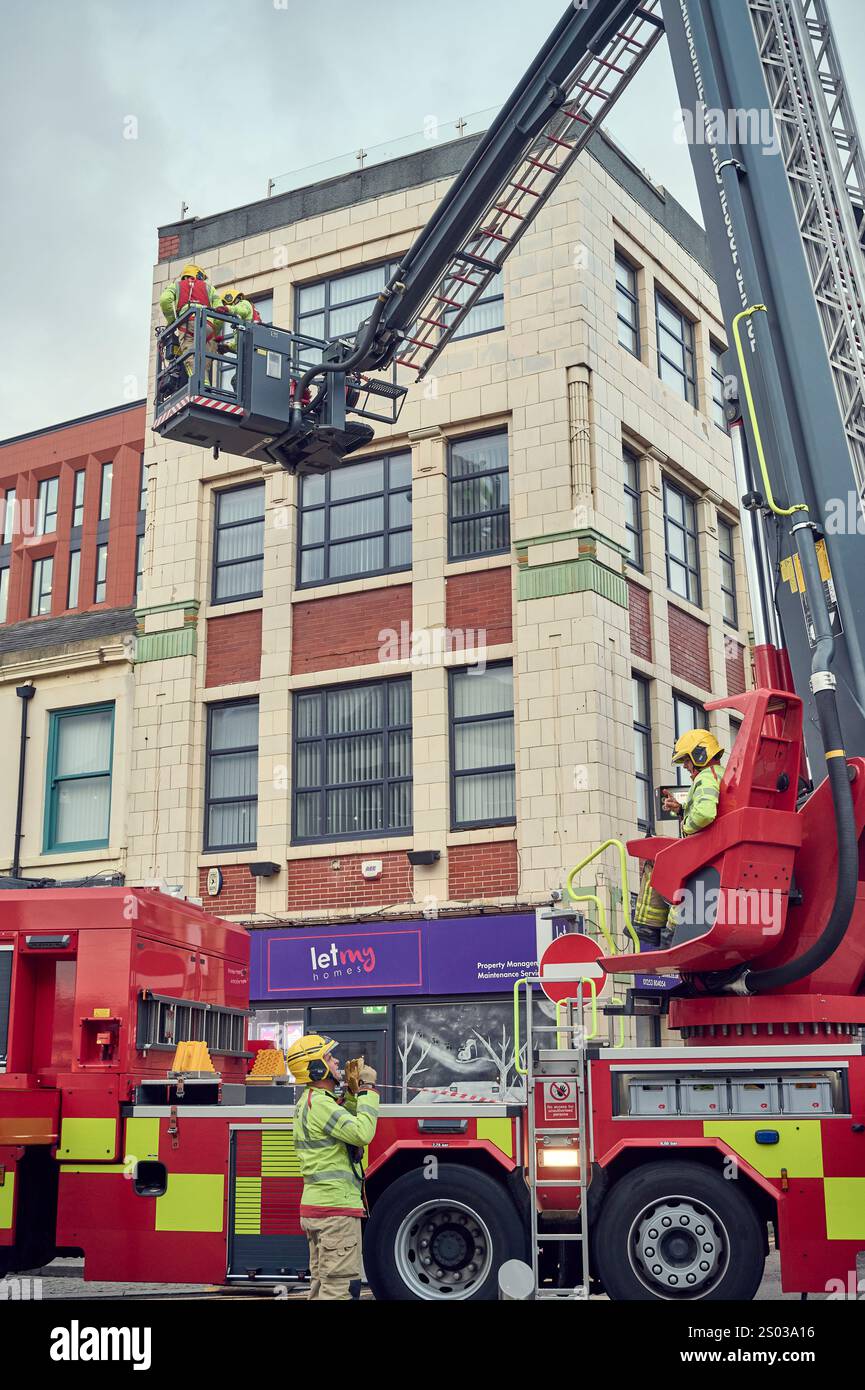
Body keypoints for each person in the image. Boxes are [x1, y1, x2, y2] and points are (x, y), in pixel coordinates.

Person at [286, 1034, 380, 1301]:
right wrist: (368, 1090)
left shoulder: (312, 1102)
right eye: (328, 1057)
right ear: (316, 1068)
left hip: (320, 1209)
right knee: (338, 1289)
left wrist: (351, 1094)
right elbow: (362, 1133)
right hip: (335, 1213)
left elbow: (343, 1127)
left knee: (322, 1286)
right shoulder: (322, 1105)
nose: (336, 1060)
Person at [634, 728, 725, 948]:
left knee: (656, 860)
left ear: (700, 755)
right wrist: (682, 809)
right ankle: (664, 930)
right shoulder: (720, 775)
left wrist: (686, 824)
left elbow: (705, 814)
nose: (685, 766)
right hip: (712, 848)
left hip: (702, 850)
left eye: (686, 760)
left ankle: (650, 927)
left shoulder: (706, 778)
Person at [159, 264, 220, 379]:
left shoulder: (176, 285)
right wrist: (215, 332)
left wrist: (172, 321)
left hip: (189, 324)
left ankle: (198, 382)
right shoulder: (210, 288)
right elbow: (220, 310)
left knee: (189, 355)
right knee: (206, 358)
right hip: (209, 326)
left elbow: (164, 300)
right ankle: (204, 383)